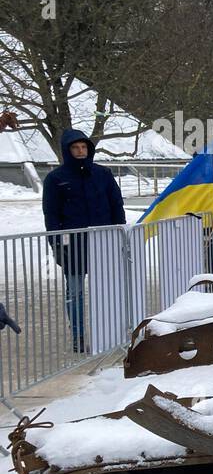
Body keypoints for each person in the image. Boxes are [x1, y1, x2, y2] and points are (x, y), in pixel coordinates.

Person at [41, 129, 126, 352]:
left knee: (106, 290)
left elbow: (116, 205)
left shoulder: (103, 174)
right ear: (67, 150)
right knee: (75, 292)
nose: (80, 151)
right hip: (73, 245)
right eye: (75, 148)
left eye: (84, 147)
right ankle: (78, 335)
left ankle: (107, 333)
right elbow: (51, 214)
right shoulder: (55, 179)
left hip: (103, 242)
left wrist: (120, 233)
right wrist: (56, 244)